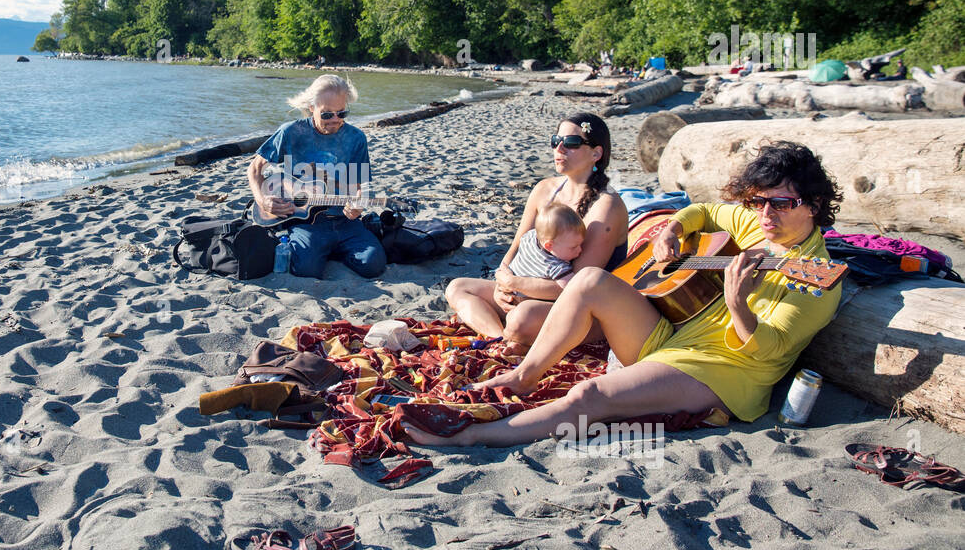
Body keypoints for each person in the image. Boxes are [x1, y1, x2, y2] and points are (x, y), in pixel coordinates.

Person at [406, 141, 844, 448]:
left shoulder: (818, 280)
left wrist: (738, 306)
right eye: (757, 201)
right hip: (673, 333)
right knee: (589, 281)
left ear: (814, 204)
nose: (765, 214)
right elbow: (705, 211)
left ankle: (470, 436)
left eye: (781, 204)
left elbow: (770, 351)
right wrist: (673, 229)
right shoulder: (755, 224)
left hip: (724, 370)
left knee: (590, 397)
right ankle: (525, 375)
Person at [445, 113, 629, 349]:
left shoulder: (606, 207)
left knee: (523, 317)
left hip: (582, 307)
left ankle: (512, 333)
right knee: (458, 288)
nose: (559, 148)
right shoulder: (544, 190)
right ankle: (500, 340)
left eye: (571, 143)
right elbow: (517, 246)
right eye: (556, 141)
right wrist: (503, 285)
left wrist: (515, 285)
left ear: (596, 153)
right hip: (526, 291)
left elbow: (576, 288)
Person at [248, 74, 386, 279]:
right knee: (306, 270)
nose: (336, 120)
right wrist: (263, 201)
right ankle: (317, 249)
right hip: (305, 222)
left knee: (373, 265)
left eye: (342, 113)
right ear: (311, 107)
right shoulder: (290, 132)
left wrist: (359, 205)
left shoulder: (356, 138)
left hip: (345, 221)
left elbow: (361, 185)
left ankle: (329, 250)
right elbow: (254, 169)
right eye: (327, 114)